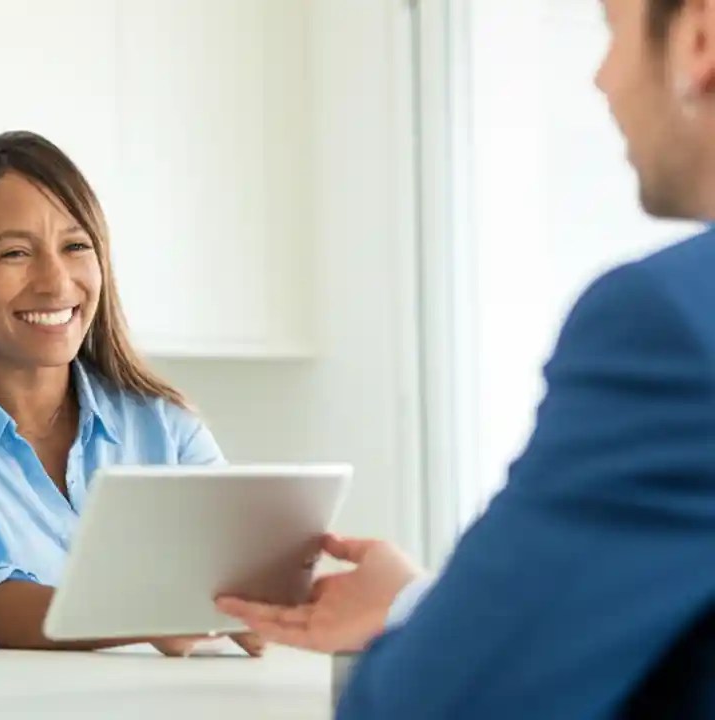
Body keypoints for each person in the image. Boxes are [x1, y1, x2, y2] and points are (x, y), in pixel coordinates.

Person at [216, 0, 715, 716]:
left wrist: (432, 643)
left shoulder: (668, 325)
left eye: (612, 29)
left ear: (698, 37)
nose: (603, 79)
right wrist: (420, 603)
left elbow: (433, 706)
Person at [0, 131, 263, 657]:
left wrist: (270, 605)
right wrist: (146, 612)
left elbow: (246, 577)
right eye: (14, 253)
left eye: (76, 246)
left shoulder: (163, 424)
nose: (57, 282)